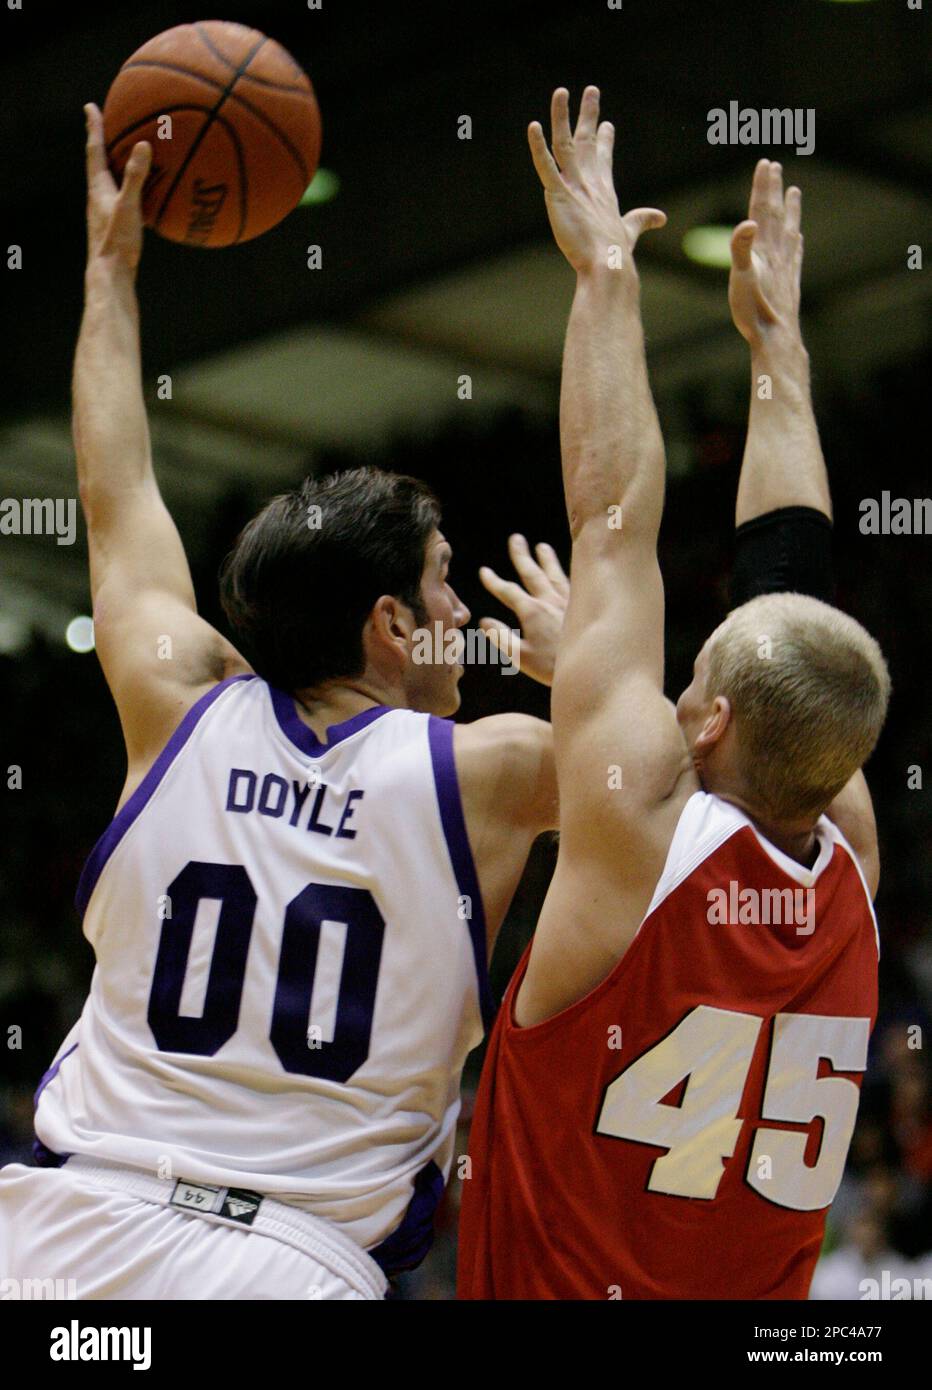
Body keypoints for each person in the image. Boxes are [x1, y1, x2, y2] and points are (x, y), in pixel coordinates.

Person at [0, 105, 566, 1301]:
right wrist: (579, 667)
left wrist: (108, 273)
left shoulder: (177, 701)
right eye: (441, 582)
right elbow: (700, 768)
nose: (463, 609)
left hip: (63, 1241)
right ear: (385, 624)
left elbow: (115, 496)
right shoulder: (497, 770)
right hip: (286, 1268)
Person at [457, 88, 890, 1300]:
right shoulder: (847, 845)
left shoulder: (640, 830)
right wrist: (778, 357)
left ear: (703, 721)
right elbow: (789, 601)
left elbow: (610, 522)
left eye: (685, 675)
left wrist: (606, 271)